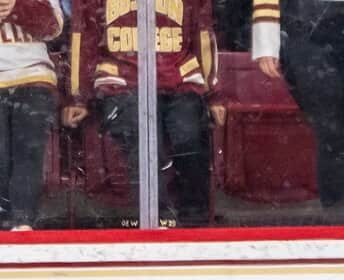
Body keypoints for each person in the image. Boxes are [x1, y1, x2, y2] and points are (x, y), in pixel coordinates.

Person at [63, 0, 223, 227]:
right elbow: (84, 38)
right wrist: (79, 97)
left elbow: (203, 34)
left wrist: (213, 93)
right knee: (142, 142)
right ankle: (157, 220)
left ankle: (194, 221)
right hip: (121, 83)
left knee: (189, 138)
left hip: (181, 81)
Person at [251, 0, 344, 224]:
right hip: (306, 33)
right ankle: (337, 222)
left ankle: (342, 218)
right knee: (332, 133)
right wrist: (266, 41)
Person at [0, 0, 62, 231]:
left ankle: (23, 222)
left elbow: (54, 27)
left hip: (34, 75)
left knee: (29, 154)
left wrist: (18, 8)